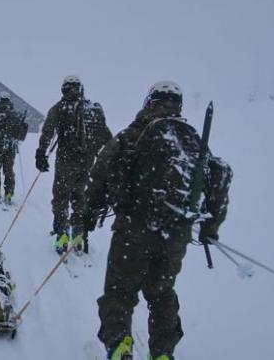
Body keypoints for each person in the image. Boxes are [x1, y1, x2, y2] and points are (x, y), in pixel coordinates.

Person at [83, 81, 233, 360]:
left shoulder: (132, 135)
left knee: (120, 291)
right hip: (175, 234)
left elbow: (100, 173)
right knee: (162, 292)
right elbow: (217, 180)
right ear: (178, 106)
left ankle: (119, 347)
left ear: (148, 102)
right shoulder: (192, 141)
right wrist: (210, 228)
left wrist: (89, 213)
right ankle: (163, 353)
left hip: (133, 230)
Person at [35, 76, 112, 253]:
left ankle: (61, 233)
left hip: (65, 161)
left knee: (61, 196)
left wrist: (41, 152)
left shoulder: (60, 107)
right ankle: (78, 233)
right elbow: (107, 137)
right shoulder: (93, 109)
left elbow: (47, 131)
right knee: (80, 196)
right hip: (88, 162)